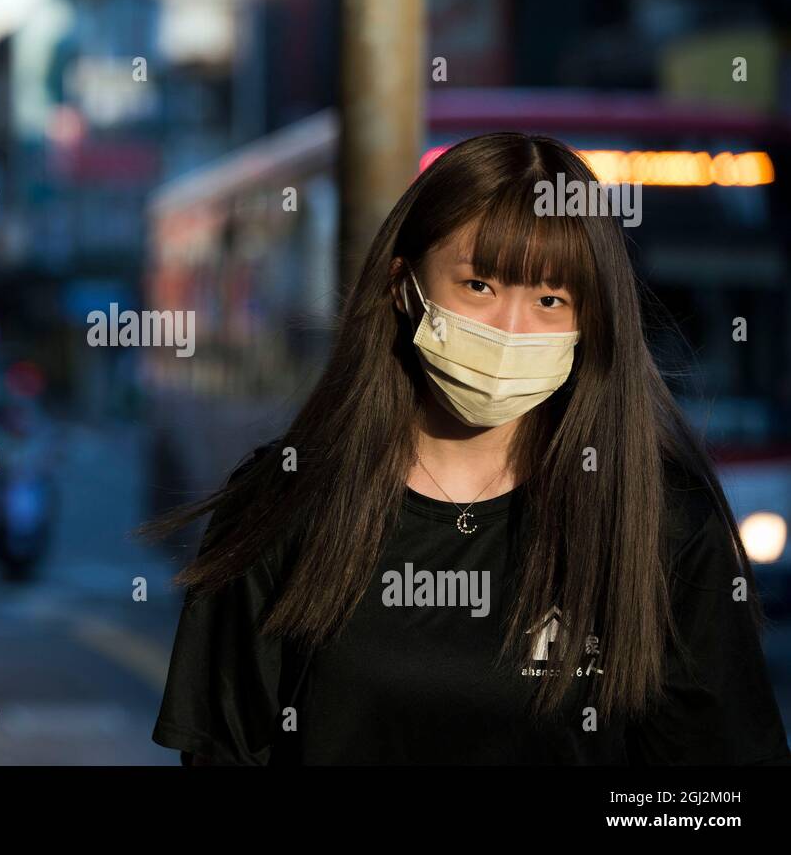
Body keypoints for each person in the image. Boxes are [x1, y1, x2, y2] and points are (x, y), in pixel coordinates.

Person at [146, 132, 791, 765]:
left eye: (549, 299)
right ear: (404, 286)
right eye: (479, 286)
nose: (511, 331)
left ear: (591, 319)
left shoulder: (661, 526)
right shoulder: (281, 504)